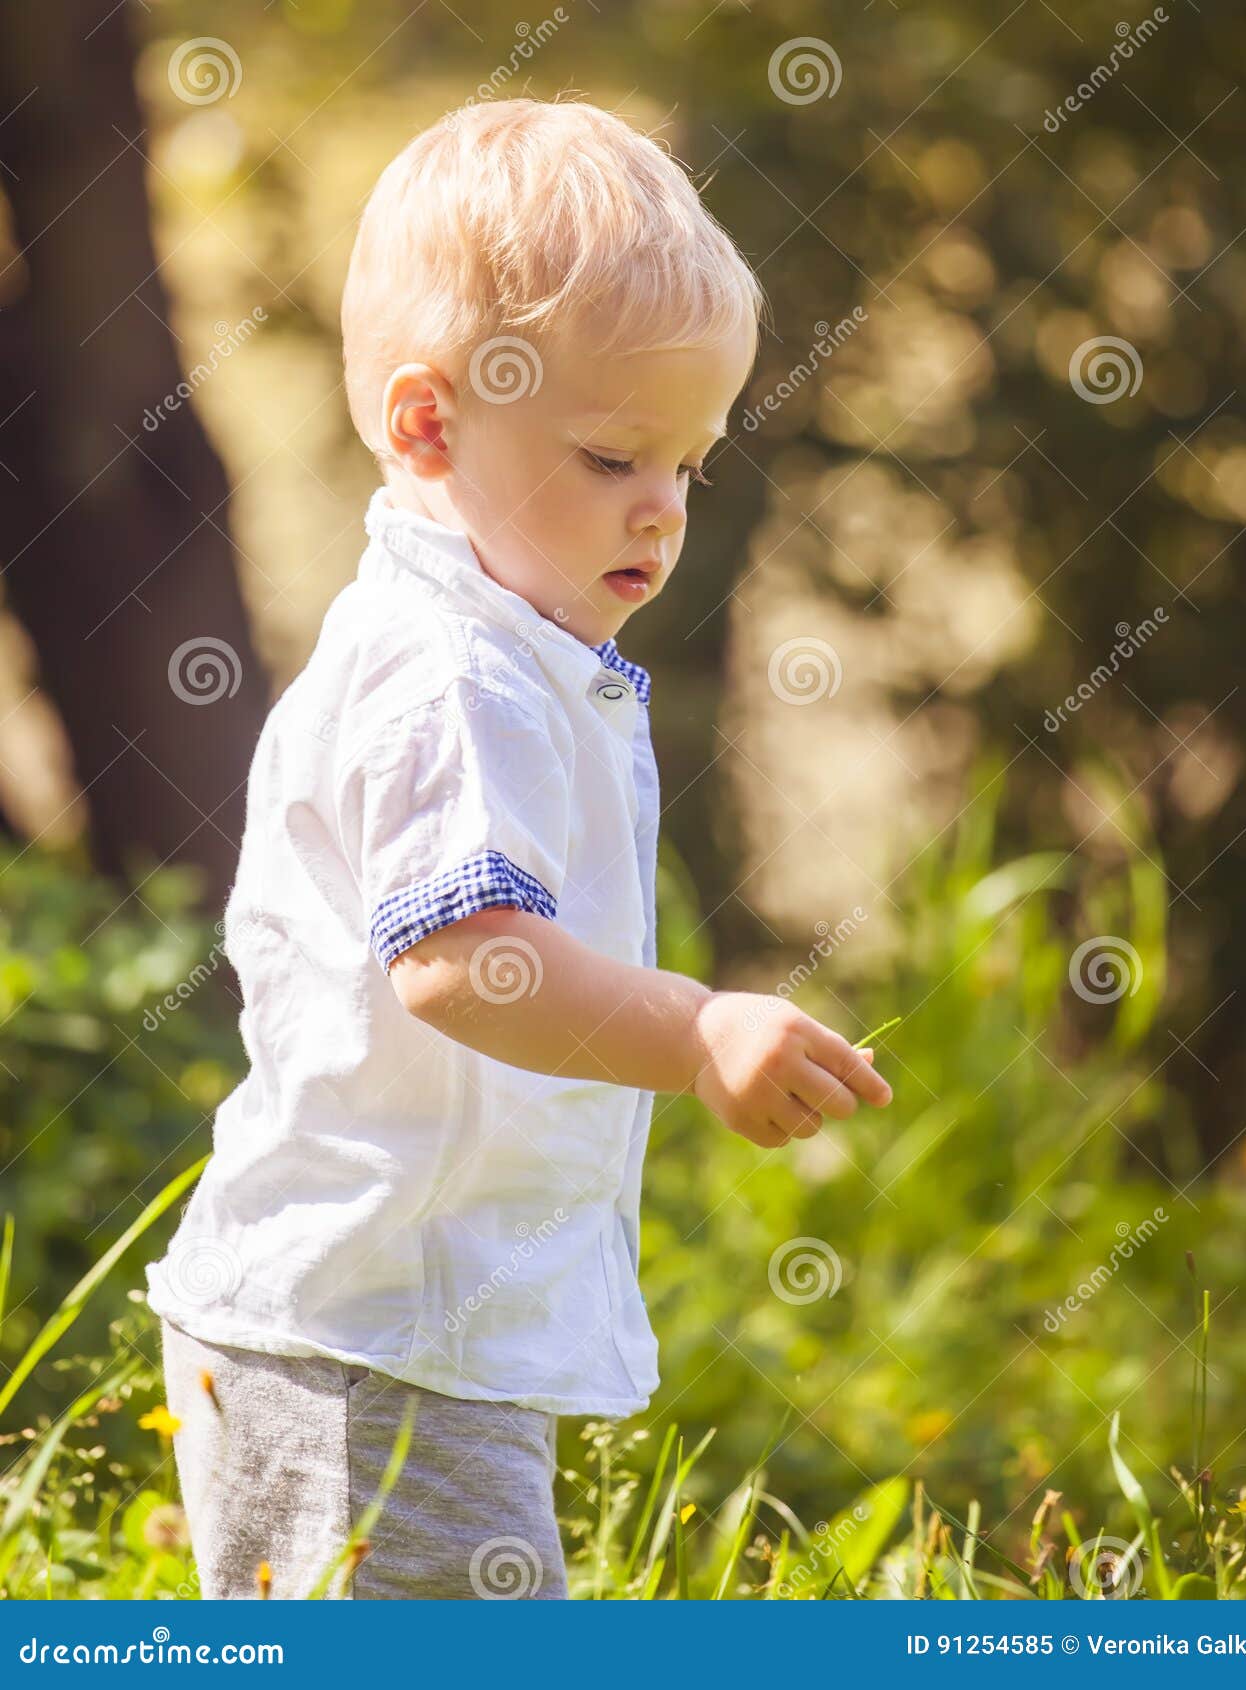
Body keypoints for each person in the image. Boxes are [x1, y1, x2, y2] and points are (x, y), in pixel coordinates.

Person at [144, 95, 894, 1601]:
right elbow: (462, 960)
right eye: (617, 453)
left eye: (689, 463)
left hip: (394, 1330)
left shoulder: (506, 650)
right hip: (367, 1345)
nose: (663, 510)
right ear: (430, 421)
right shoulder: (450, 673)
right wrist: (699, 1026)